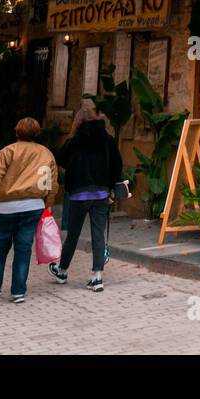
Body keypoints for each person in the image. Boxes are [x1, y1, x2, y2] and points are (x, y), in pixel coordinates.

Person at [0, 117, 57, 304]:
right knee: (24, 249)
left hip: (6, 207)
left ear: (17, 132)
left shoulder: (7, 152)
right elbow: (51, 183)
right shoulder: (46, 154)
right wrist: (48, 204)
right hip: (34, 206)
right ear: (37, 133)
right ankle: (18, 291)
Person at [49, 110, 122, 292]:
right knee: (98, 235)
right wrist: (111, 188)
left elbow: (60, 158)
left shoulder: (74, 141)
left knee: (73, 234)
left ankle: (62, 270)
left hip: (78, 195)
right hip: (101, 194)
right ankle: (97, 277)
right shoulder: (108, 140)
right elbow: (117, 165)